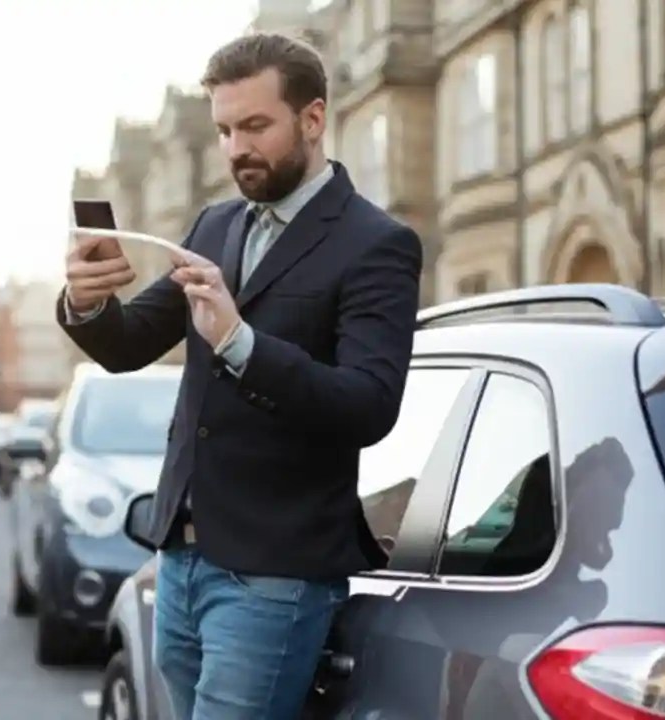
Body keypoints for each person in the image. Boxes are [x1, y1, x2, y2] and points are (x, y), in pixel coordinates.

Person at [58, 31, 423, 720]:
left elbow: (368, 404)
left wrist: (238, 342)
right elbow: (129, 343)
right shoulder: (214, 225)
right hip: (181, 563)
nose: (235, 149)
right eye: (225, 129)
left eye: (255, 126)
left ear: (312, 119)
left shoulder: (377, 244)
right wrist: (86, 301)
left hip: (275, 574)